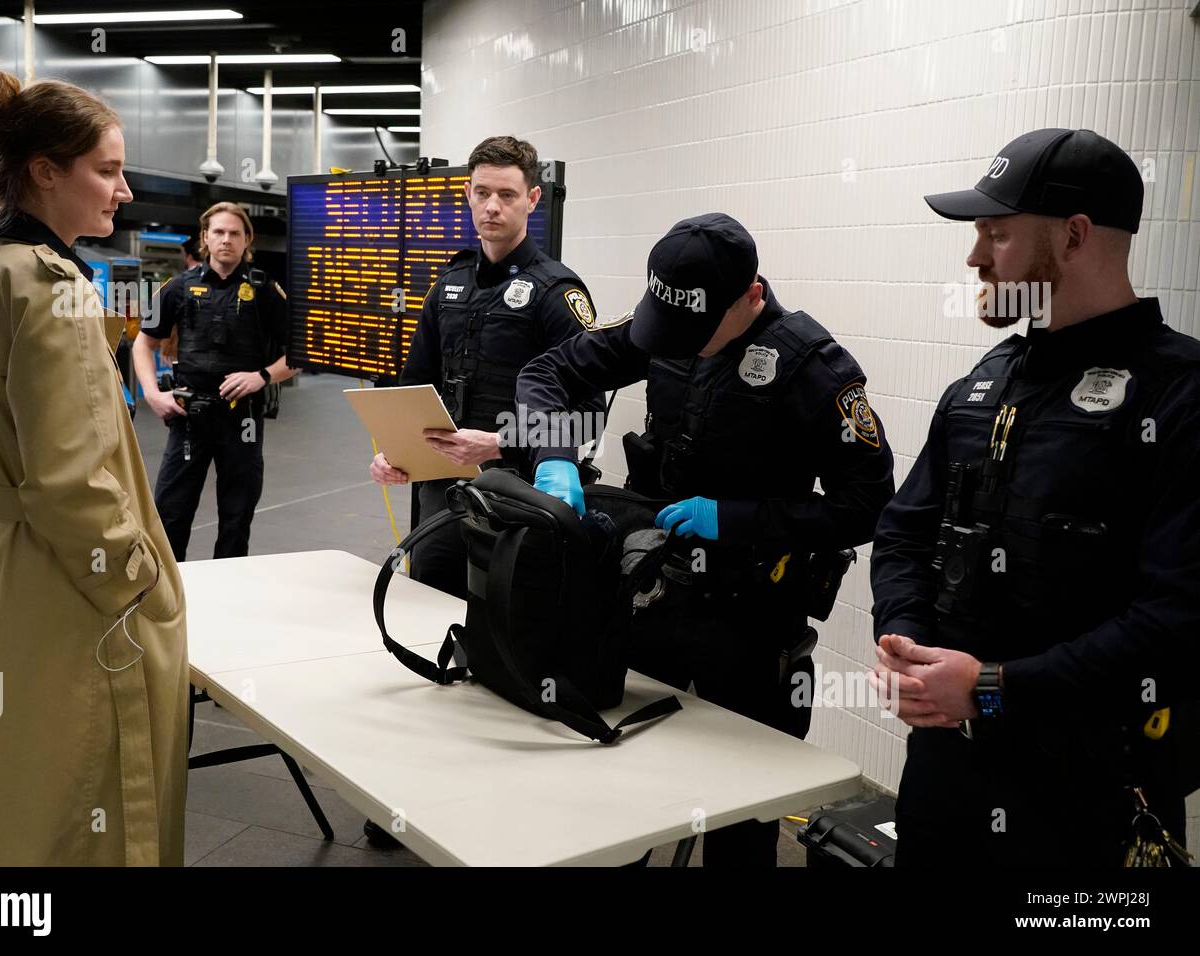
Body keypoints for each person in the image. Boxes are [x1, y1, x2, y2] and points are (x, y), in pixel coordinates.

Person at [518, 213, 895, 865]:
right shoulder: (667, 325)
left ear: (750, 296)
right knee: (621, 788)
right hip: (652, 599)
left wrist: (737, 518)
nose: (681, 345)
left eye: (697, 334)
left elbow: (868, 504)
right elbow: (550, 371)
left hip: (748, 623)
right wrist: (552, 453)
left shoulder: (813, 366)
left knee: (740, 823)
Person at [869, 128, 1200, 866]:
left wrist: (992, 688)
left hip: (1090, 798)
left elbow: (1177, 620)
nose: (975, 257)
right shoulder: (989, 381)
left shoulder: (1179, 396)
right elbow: (903, 532)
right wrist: (906, 644)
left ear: (1074, 236)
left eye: (996, 234)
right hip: (949, 776)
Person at [0, 59, 187, 865]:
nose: (124, 190)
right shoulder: (55, 287)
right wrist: (140, 586)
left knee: (7, 782)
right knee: (82, 788)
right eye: (107, 170)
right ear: (45, 172)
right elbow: (73, 483)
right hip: (64, 584)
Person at [370, 135, 604, 599]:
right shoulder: (448, 285)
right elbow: (413, 388)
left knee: (504, 622)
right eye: (482, 193)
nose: (492, 206)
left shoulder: (557, 293)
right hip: (441, 493)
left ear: (533, 199)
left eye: (507, 195)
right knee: (428, 609)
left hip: (520, 494)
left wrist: (500, 443)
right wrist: (394, 452)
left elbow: (591, 413)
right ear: (468, 194)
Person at [133, 202, 298, 561]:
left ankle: (228, 600)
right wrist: (151, 394)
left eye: (235, 233)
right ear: (205, 238)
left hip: (243, 420)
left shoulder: (266, 289)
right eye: (218, 232)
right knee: (170, 513)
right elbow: (142, 344)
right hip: (187, 416)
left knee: (236, 518)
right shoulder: (177, 288)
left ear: (246, 239)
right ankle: (167, 603)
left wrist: (262, 377)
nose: (226, 240)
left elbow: (300, 354)